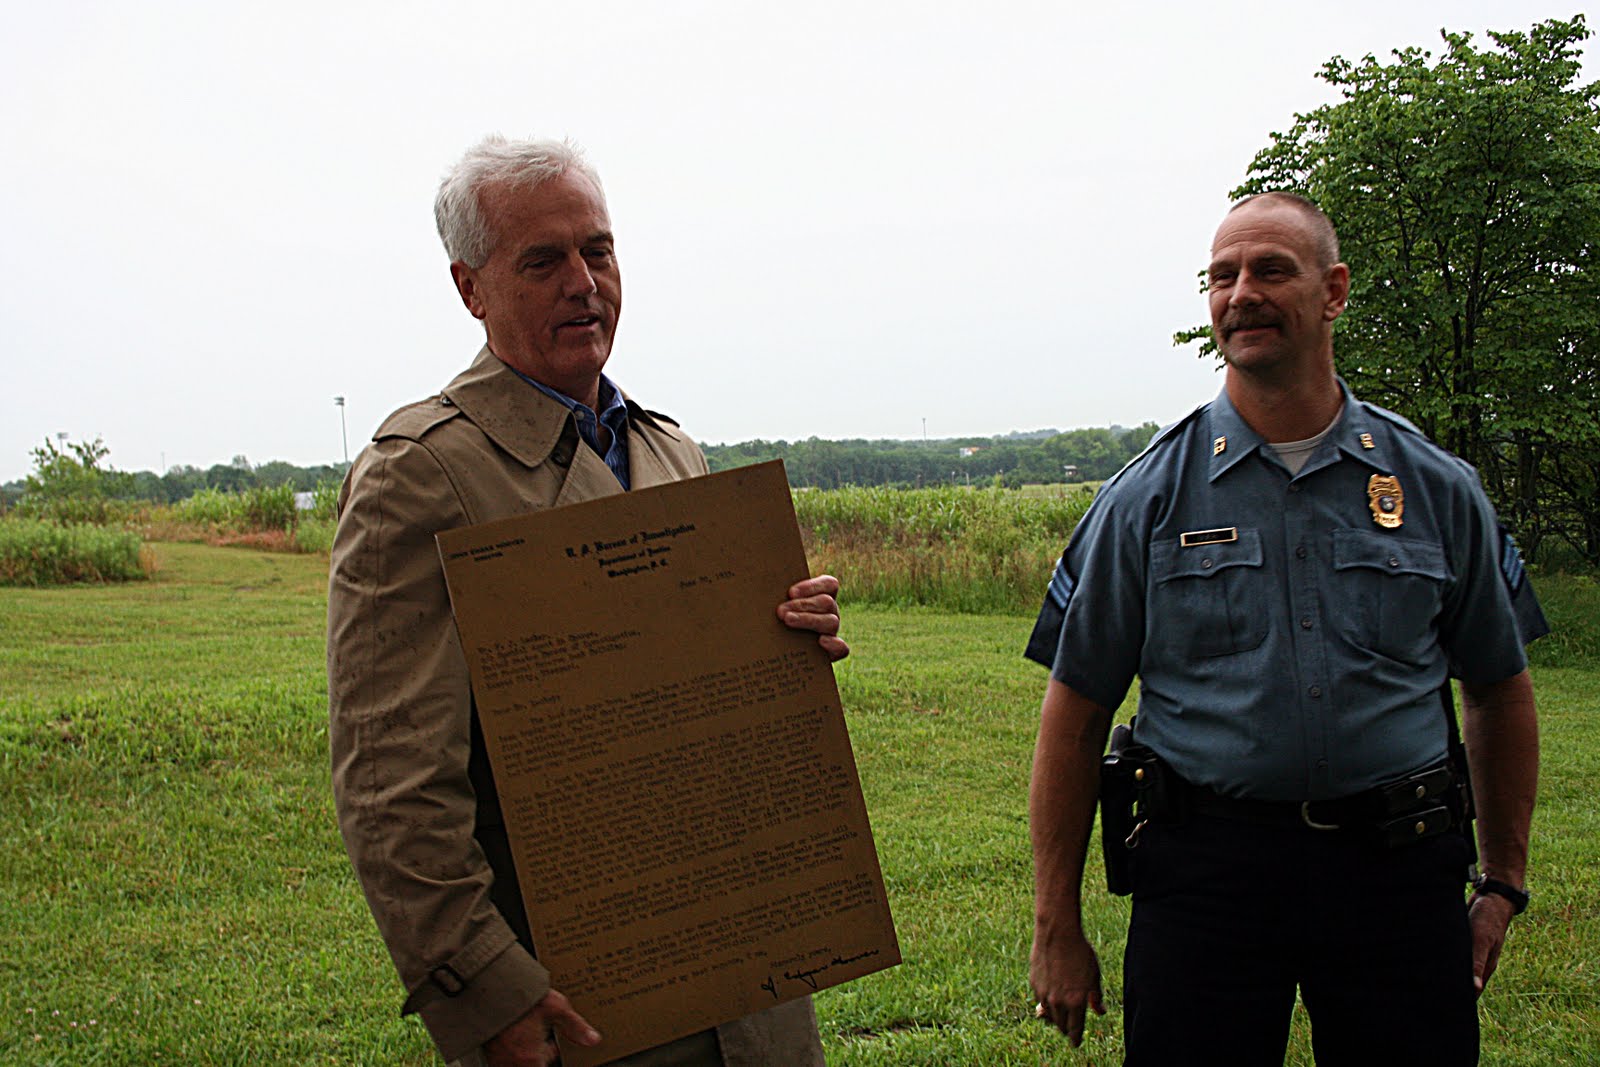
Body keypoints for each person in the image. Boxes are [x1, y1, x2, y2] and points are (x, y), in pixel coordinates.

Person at [327, 136, 845, 1067]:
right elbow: (391, 783)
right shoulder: (423, 473)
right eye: (543, 260)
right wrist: (490, 994)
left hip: (749, 964)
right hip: (588, 994)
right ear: (469, 287)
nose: (583, 281)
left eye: (597, 251)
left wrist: (786, 636)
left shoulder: (667, 449)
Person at [1024, 192, 1544, 1066]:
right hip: (1205, 879)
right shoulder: (1146, 498)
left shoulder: (1436, 487)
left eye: (1271, 269)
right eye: (1221, 277)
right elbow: (1073, 715)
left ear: (1335, 290)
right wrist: (1056, 925)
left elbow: (1498, 686)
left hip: (1397, 873)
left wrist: (1500, 883)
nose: (1240, 294)